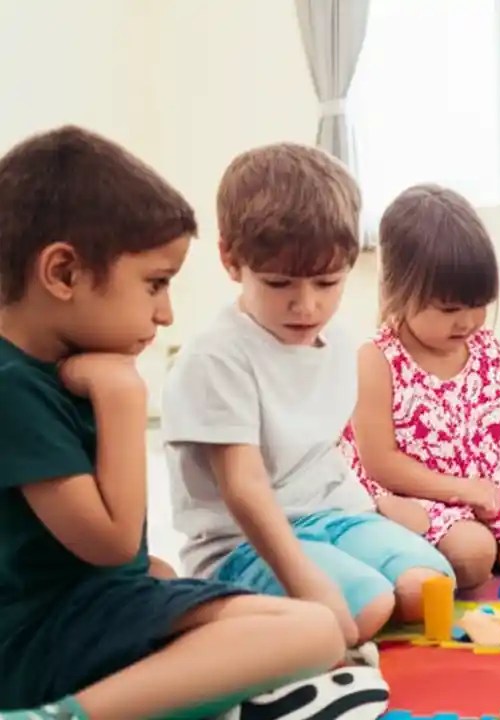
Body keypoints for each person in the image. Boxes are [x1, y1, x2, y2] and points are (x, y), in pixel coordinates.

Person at [0, 126, 387, 719]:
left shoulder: (57, 368)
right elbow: (110, 545)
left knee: (312, 628)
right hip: (36, 639)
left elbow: (120, 559)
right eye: (154, 284)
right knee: (310, 636)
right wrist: (126, 399)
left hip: (85, 607)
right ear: (63, 274)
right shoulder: (17, 386)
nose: (166, 311)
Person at [163, 143, 454, 656]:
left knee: (428, 585)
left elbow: (324, 451)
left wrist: (379, 505)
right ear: (232, 260)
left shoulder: (339, 341)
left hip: (333, 517)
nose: (307, 304)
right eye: (279, 283)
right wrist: (308, 584)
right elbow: (245, 489)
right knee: (369, 608)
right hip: (242, 545)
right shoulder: (217, 357)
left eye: (328, 282)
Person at [343, 184, 500, 590]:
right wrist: (461, 490)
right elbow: (381, 462)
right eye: (448, 310)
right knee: (473, 553)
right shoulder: (377, 359)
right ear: (399, 292)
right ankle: (391, 524)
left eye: (477, 305)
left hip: (488, 494)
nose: (466, 322)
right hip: (420, 496)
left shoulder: (487, 351)